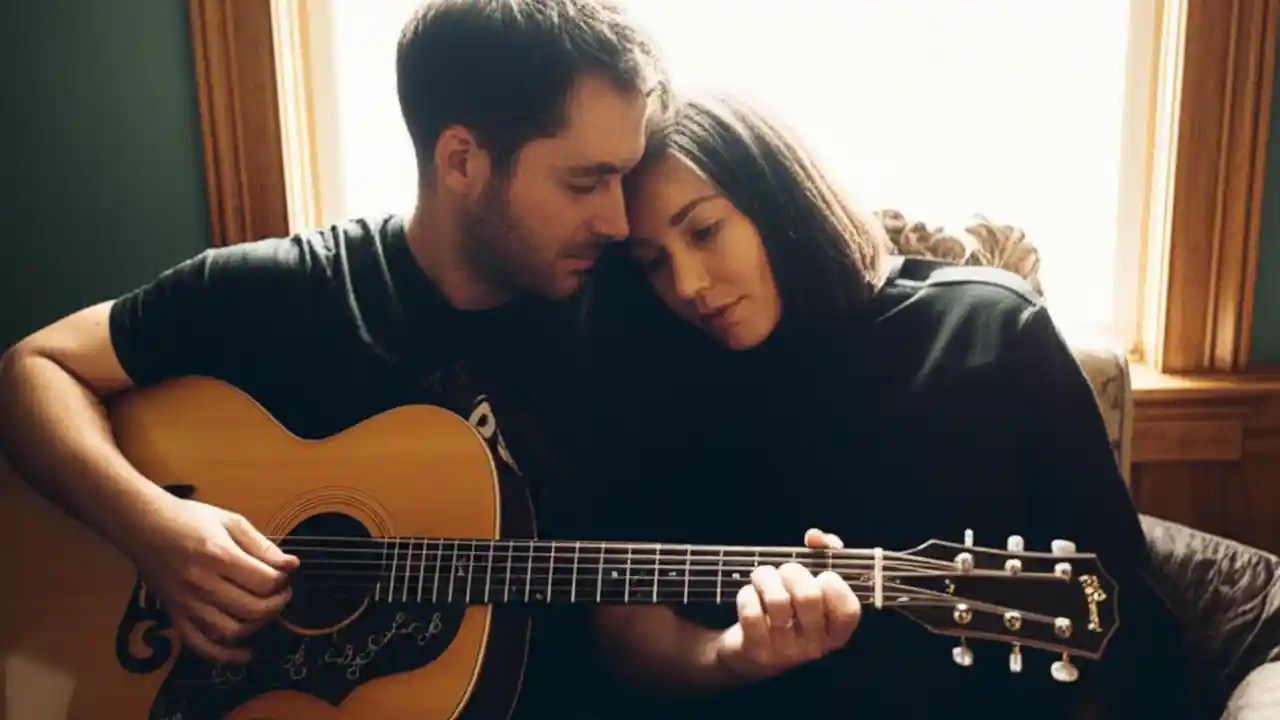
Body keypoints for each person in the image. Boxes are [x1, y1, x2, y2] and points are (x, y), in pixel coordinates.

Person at [0, 0, 668, 717]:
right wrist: (154, 530)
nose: (618, 220)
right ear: (462, 161)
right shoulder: (284, 290)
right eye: (584, 183)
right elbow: (33, 367)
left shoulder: (620, 316)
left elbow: (631, 619)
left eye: (623, 177)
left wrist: (729, 653)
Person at [569, 95, 1194, 718]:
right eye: (654, 262)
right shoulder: (655, 373)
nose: (687, 285)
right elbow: (626, 626)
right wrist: (731, 656)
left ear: (775, 198)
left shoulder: (989, 331)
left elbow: (1127, 617)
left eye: (705, 231)